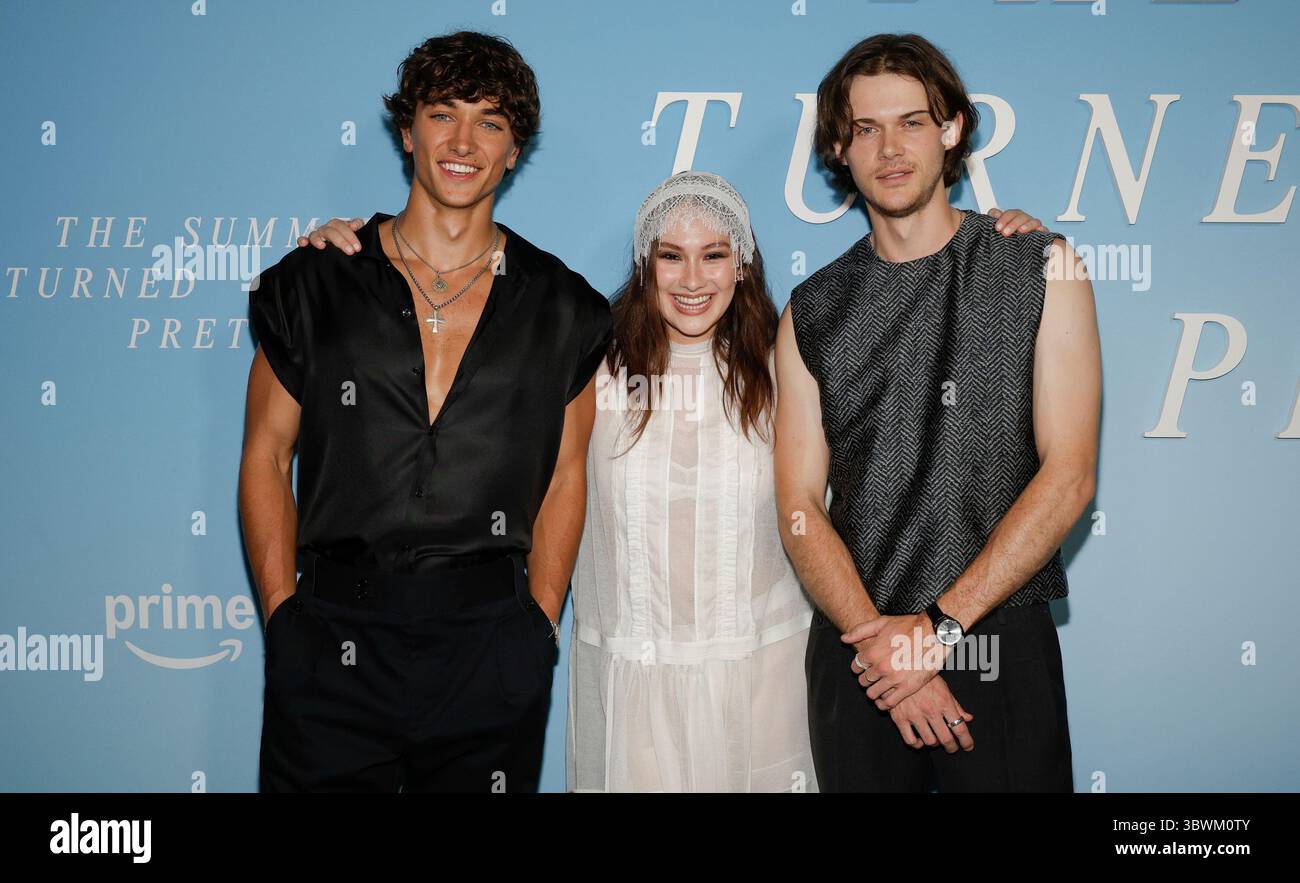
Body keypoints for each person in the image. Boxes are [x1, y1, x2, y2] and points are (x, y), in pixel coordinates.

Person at [238, 31, 612, 792]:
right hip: (332, 638)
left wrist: (536, 627)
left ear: (515, 151)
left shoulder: (565, 308)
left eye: (492, 122)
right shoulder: (315, 283)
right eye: (444, 114)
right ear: (407, 130)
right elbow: (267, 456)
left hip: (489, 648)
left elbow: (566, 477)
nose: (464, 141)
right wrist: (285, 620)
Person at [774, 33, 1101, 792]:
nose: (890, 147)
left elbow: (1071, 476)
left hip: (993, 644)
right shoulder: (810, 311)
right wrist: (887, 649)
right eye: (865, 128)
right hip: (860, 660)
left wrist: (936, 631)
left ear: (952, 129)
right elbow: (796, 506)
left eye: (912, 121)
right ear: (839, 147)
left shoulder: (1041, 267)